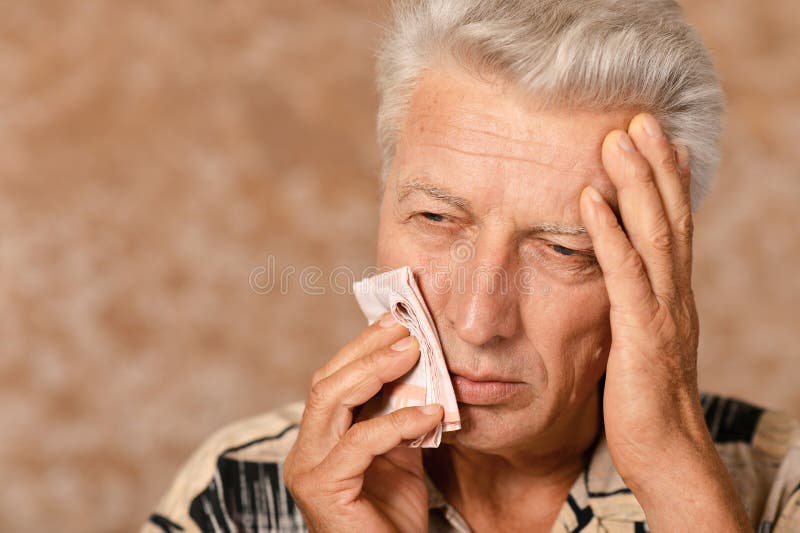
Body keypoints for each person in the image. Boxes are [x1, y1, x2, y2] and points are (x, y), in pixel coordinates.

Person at [142, 1, 800, 531]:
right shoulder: (235, 493)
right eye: (435, 219)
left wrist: (682, 485)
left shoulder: (784, 490)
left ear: (664, 263)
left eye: (566, 250)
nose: (479, 319)